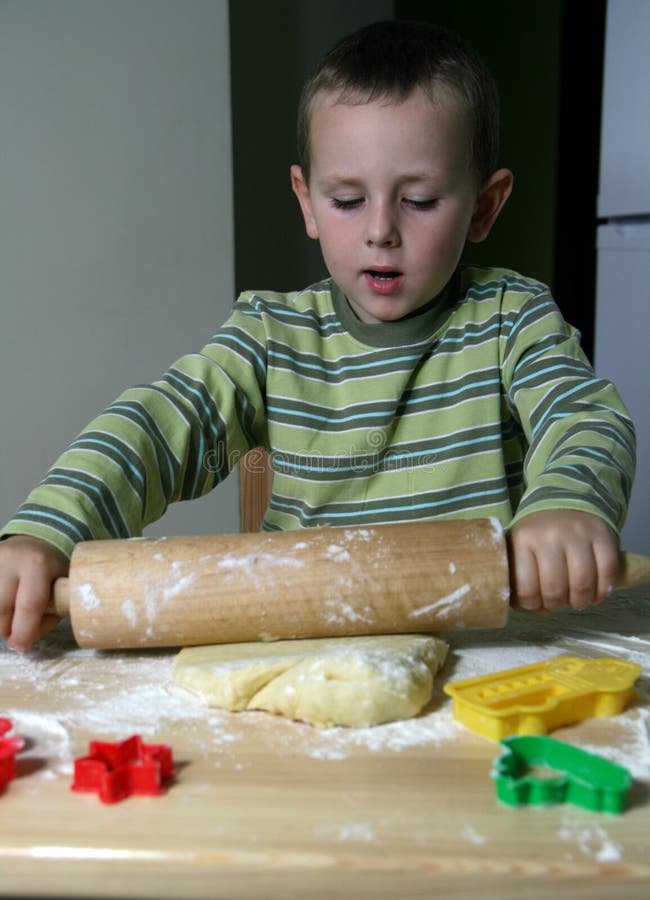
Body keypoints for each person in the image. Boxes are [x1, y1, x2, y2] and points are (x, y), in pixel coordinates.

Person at [0, 20, 635, 653]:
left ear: (484, 207)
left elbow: (583, 418)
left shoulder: (509, 320)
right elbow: (159, 429)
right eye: (348, 200)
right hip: (303, 651)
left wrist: (567, 504)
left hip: (487, 653)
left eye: (418, 200)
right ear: (307, 201)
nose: (380, 230)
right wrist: (52, 528)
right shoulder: (272, 338)